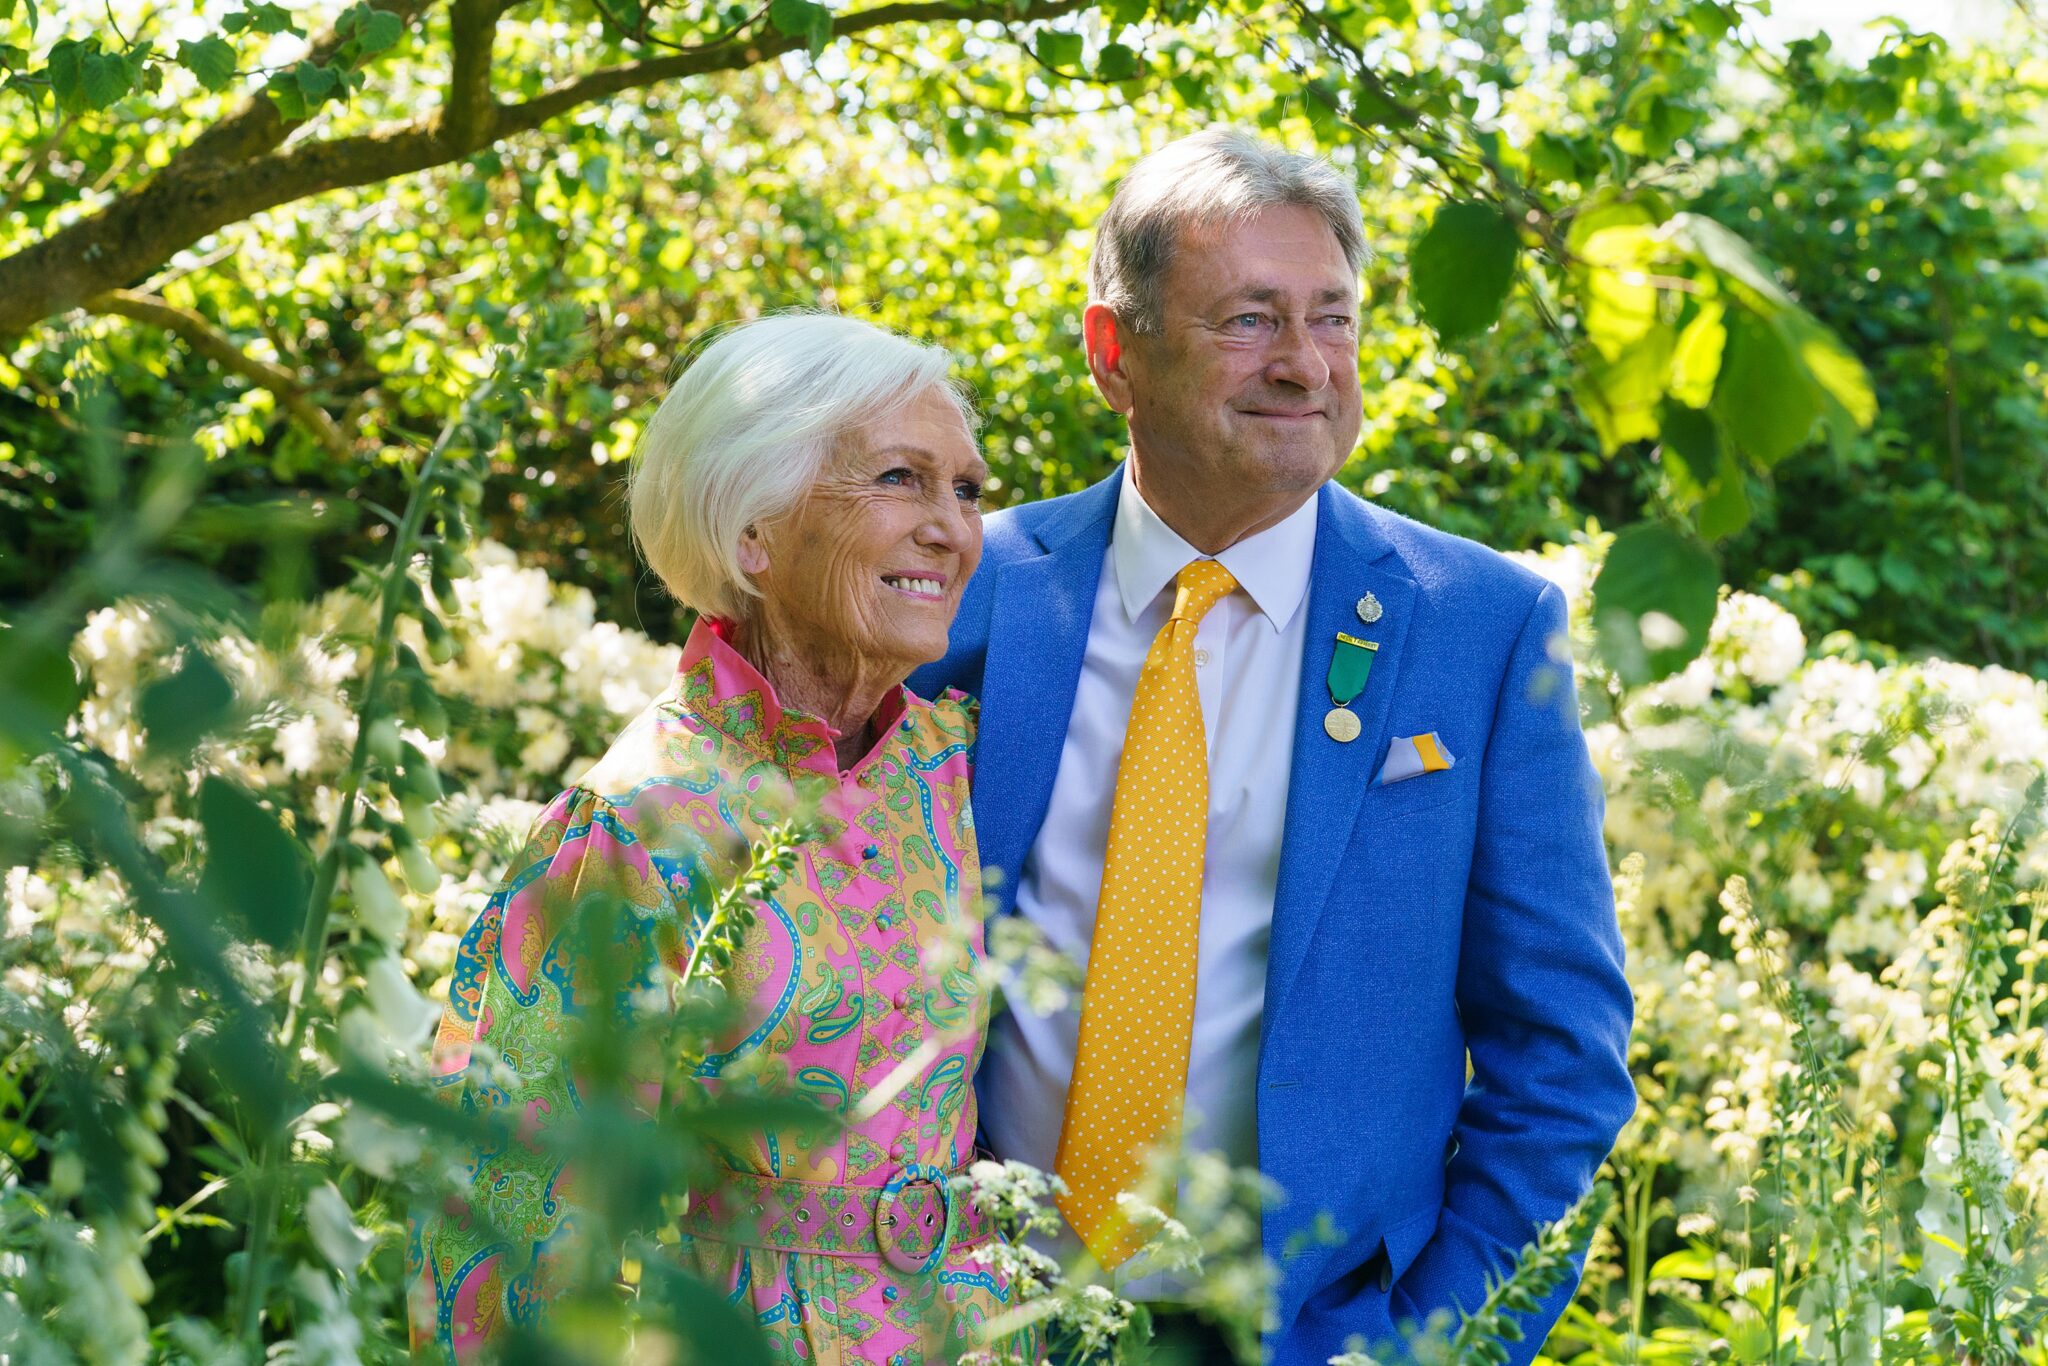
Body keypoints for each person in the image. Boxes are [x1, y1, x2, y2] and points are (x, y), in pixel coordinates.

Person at [910, 128, 1636, 1365]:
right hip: (973, 1318)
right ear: (1112, 354)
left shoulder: (1480, 629)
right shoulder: (964, 596)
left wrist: (1426, 1346)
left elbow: (1559, 1059)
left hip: (1308, 1330)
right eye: (1248, 319)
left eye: (1332, 319)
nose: (1304, 365)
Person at [410, 313, 1038, 1364]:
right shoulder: (634, 822)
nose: (951, 527)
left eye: (966, 490)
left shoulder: (942, 762)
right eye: (899, 479)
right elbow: (506, 1229)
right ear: (753, 533)